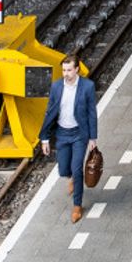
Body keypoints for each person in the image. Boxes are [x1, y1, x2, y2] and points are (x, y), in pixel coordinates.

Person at [38, 50, 98, 224]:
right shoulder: (57, 86)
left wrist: (92, 138)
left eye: (69, 70)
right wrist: (45, 138)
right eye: (64, 70)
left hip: (79, 133)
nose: (66, 74)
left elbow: (91, 113)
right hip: (62, 134)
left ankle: (77, 205)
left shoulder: (87, 86)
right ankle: (70, 177)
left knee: (78, 169)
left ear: (77, 70)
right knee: (64, 169)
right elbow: (50, 112)